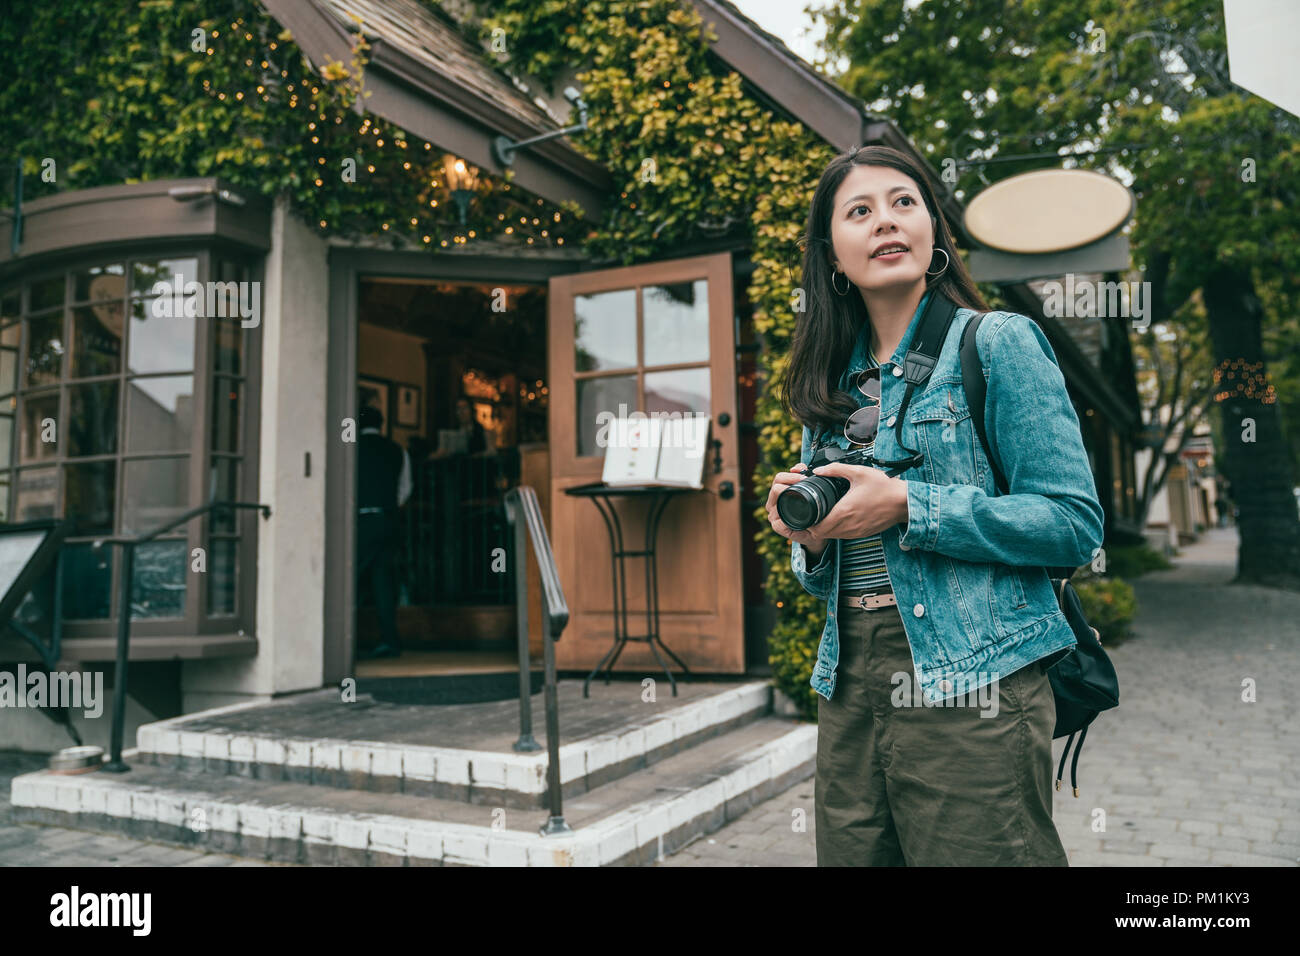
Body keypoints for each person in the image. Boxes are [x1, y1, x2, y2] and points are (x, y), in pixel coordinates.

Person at [766, 145, 1103, 866]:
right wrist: (815, 542)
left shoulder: (998, 343)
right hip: (850, 677)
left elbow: (1073, 525)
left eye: (903, 202)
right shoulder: (830, 383)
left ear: (933, 232)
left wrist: (910, 507)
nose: (885, 222)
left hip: (975, 673)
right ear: (832, 252)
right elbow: (823, 576)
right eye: (859, 211)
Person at [356, 403, 411, 660]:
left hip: (359, 521)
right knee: (383, 585)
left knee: (351, 583)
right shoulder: (397, 450)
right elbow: (405, 489)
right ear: (382, 424)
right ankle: (390, 641)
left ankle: (344, 643)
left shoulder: (351, 449)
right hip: (387, 522)